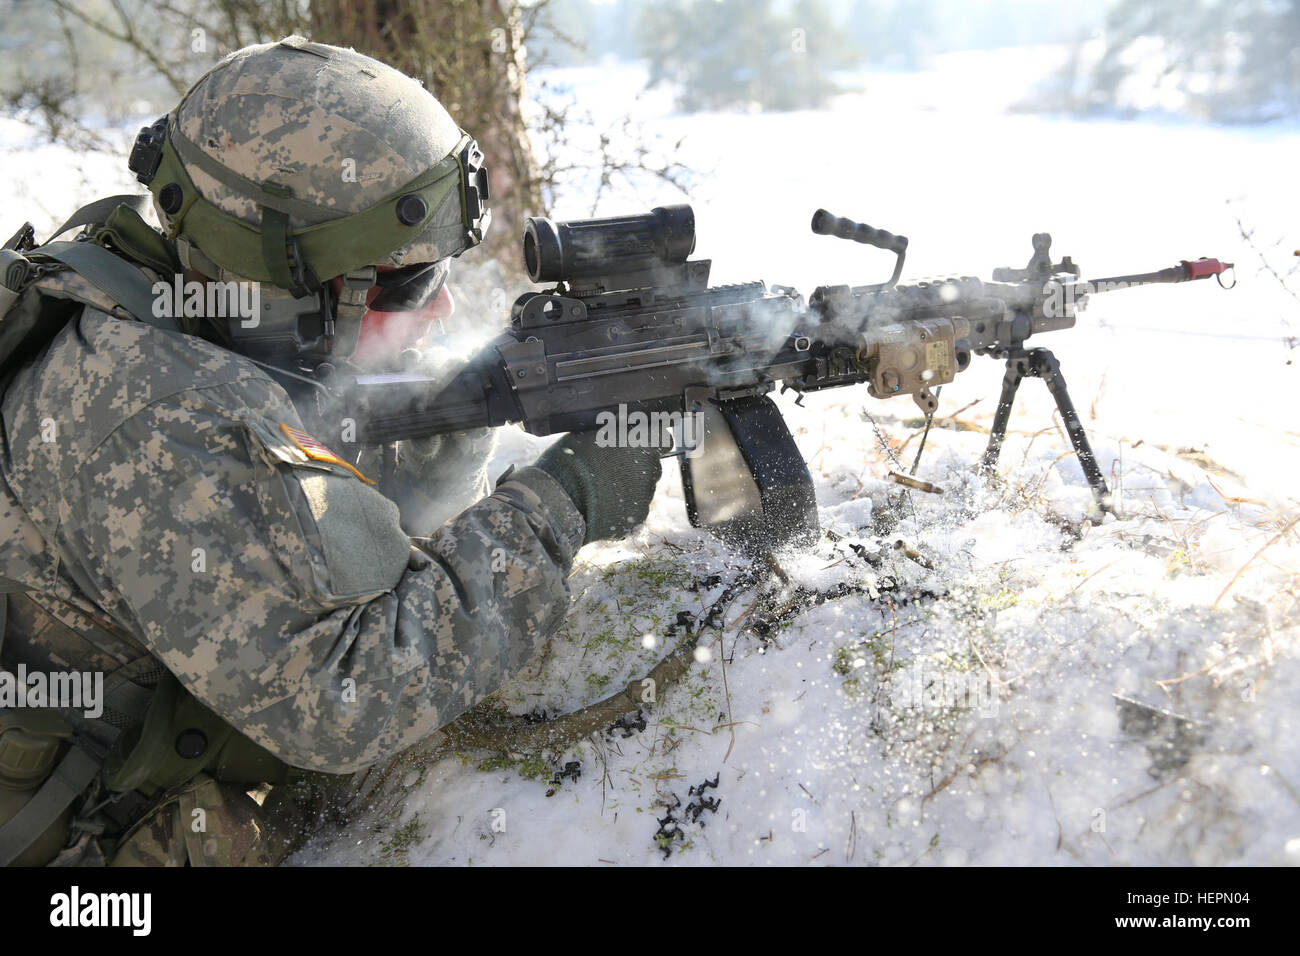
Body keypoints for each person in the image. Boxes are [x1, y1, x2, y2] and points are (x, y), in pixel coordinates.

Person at [0, 36, 661, 866]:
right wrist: (562, 503)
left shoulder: (167, 299)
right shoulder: (164, 415)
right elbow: (347, 700)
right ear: (294, 283)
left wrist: (452, 422)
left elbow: (302, 484)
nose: (445, 302)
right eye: (412, 282)